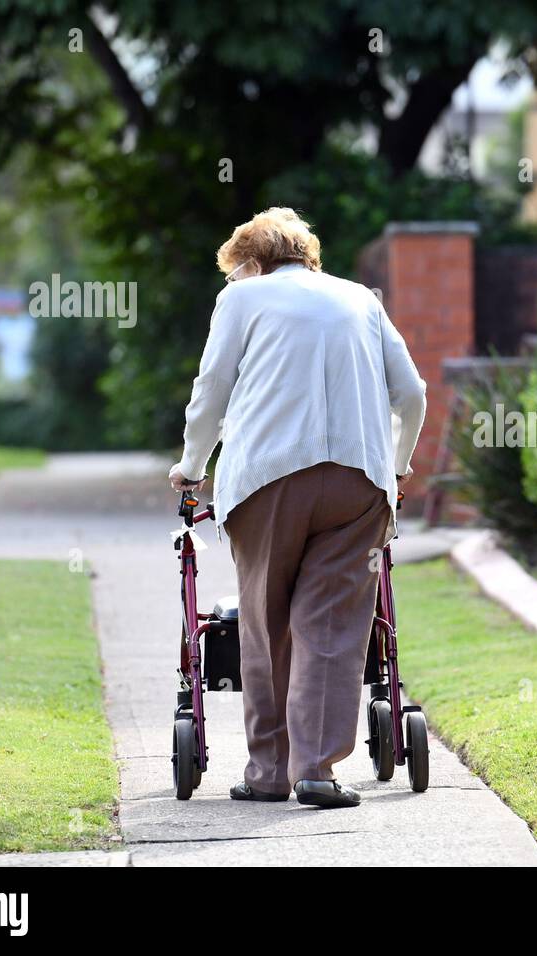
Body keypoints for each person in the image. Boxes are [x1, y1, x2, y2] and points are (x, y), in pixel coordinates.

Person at [168, 207, 426, 809]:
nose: (235, 281)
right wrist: (398, 462)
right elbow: (411, 392)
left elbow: (211, 393)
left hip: (265, 479)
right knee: (333, 626)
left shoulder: (243, 299)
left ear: (253, 264)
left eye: (237, 270)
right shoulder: (362, 299)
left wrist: (191, 466)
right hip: (359, 480)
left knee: (266, 623)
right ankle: (317, 769)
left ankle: (268, 771)